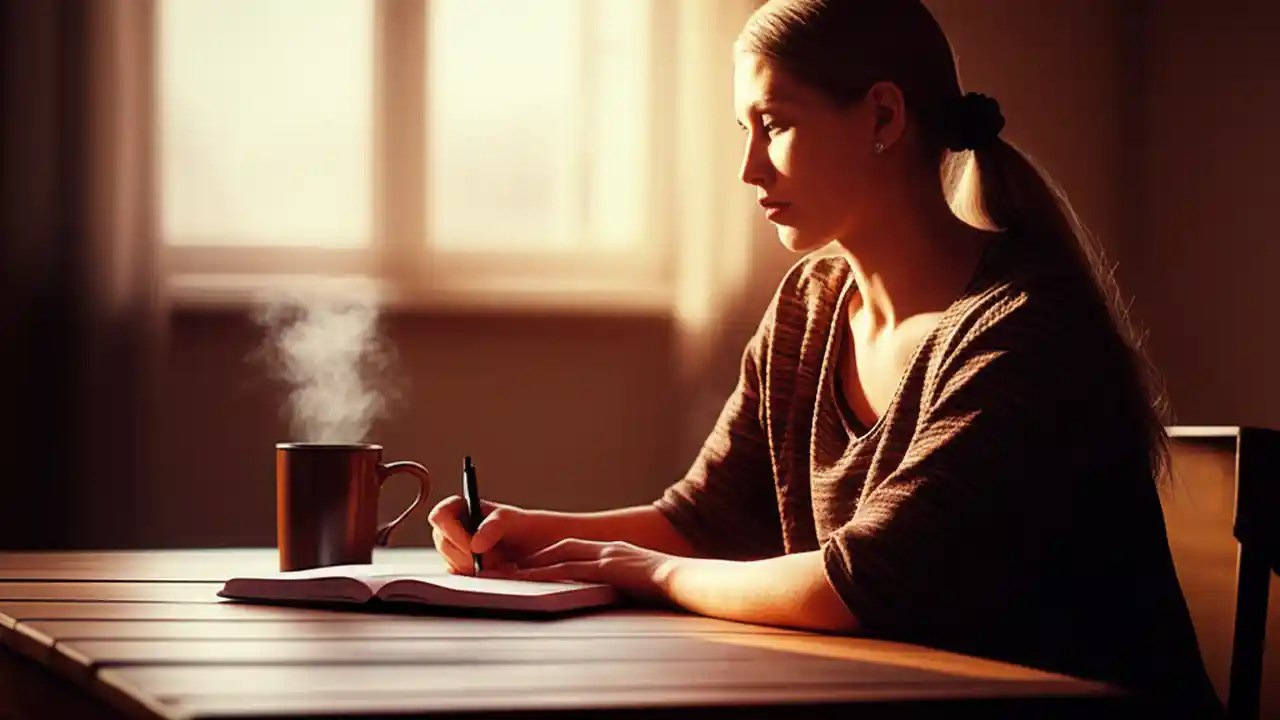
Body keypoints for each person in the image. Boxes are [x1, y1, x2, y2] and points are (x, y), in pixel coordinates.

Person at [429, 0, 1222, 714]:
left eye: (773, 124)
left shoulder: (1024, 329)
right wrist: (527, 534)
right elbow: (705, 522)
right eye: (746, 131)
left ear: (882, 116)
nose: (750, 170)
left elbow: (861, 584)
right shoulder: (812, 304)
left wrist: (645, 570)